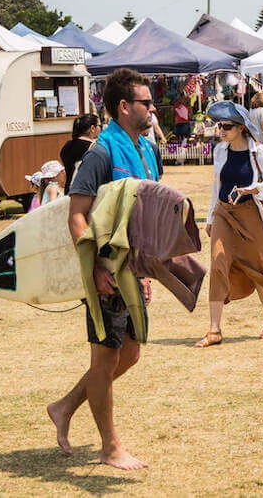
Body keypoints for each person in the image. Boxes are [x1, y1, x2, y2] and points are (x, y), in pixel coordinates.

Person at [47, 68, 159, 470]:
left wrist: (147, 272)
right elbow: (77, 215)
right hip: (106, 271)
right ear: (125, 107)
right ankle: (110, 446)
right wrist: (94, 268)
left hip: (134, 269)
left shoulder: (146, 149)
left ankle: (63, 407)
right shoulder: (101, 153)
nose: (153, 108)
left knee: (129, 355)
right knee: (105, 360)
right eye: (146, 102)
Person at [197, 101, 263, 348]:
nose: (221, 130)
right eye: (219, 125)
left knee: (258, 269)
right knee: (218, 262)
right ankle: (214, 330)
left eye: (227, 126)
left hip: (250, 214)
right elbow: (217, 186)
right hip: (224, 213)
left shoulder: (258, 152)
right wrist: (211, 217)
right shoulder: (220, 151)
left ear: (242, 128)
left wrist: (251, 189)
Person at [61, 114, 101, 194]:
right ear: (92, 128)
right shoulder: (94, 148)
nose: (100, 128)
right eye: (99, 125)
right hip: (86, 193)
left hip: (69, 190)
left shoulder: (67, 146)